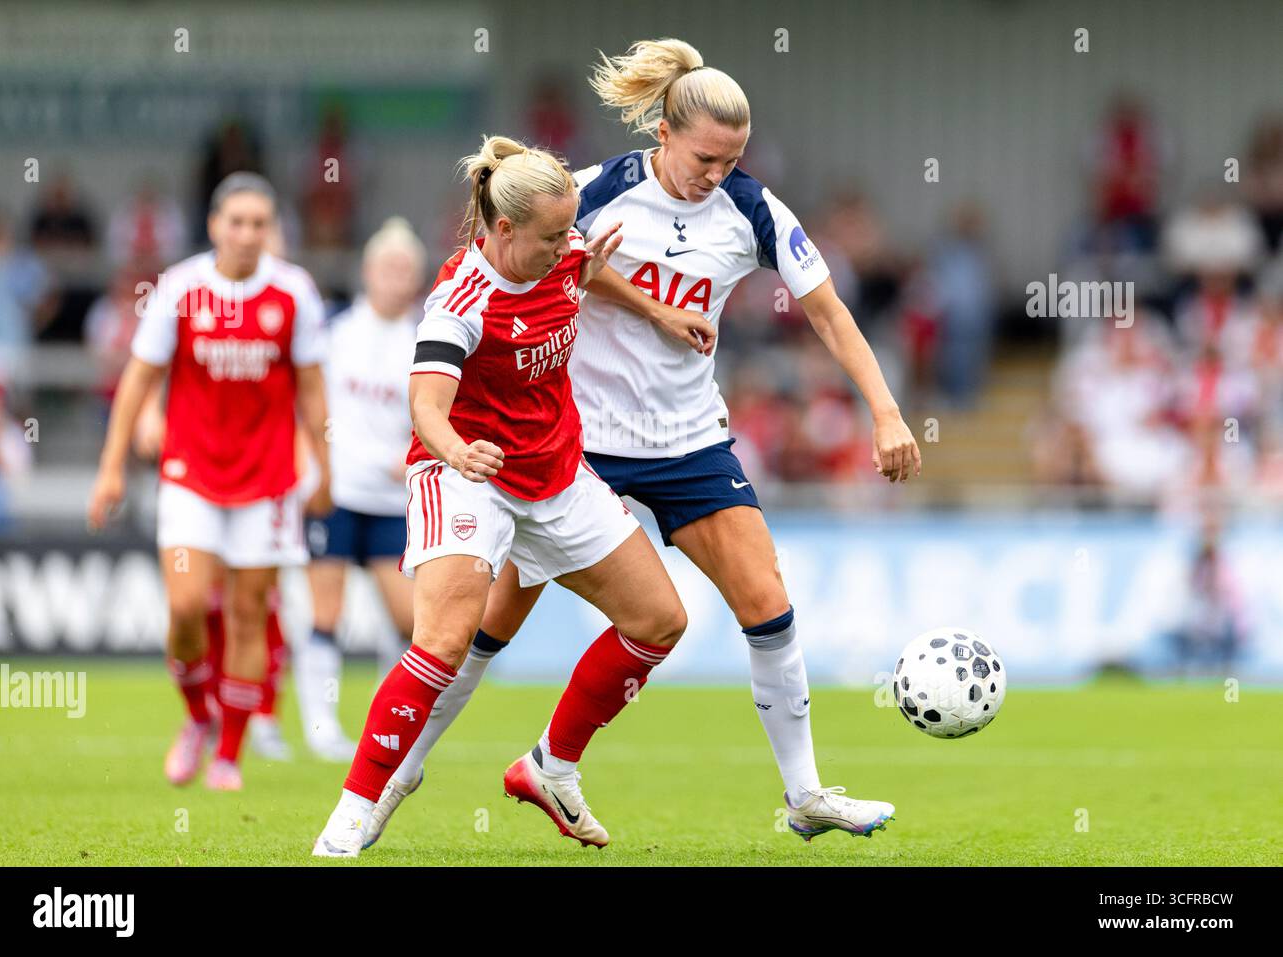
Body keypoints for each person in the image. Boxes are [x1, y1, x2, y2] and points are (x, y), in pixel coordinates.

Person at [369, 37, 917, 847]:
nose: (717, 174)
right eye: (705, 157)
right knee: (489, 621)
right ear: (663, 131)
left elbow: (830, 312)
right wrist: (652, 309)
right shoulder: (594, 191)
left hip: (689, 439)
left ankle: (800, 794)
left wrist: (887, 412)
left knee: (767, 602)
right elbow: (528, 267)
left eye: (733, 159)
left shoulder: (755, 211)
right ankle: (394, 777)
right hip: (575, 441)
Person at [311, 135, 689, 857]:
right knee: (444, 642)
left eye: (568, 231)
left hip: (555, 474)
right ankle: (355, 810)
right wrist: (457, 450)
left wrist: (655, 312)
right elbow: (425, 403)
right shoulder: (459, 298)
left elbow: (580, 271)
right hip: (465, 471)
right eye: (551, 235)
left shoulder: (562, 250)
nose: (565, 245)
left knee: (660, 620)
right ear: (504, 229)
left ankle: (550, 763)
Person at [87, 172, 332, 791]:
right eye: (237, 222)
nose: (248, 234)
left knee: (251, 615)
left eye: (259, 223)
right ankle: (198, 717)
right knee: (186, 607)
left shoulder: (294, 292)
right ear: (214, 225)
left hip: (269, 479)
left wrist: (325, 469)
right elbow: (139, 380)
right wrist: (112, 467)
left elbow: (311, 391)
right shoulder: (180, 288)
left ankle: (227, 755)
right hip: (190, 474)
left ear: (269, 228)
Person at [297, 217, 427, 760]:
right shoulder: (337, 335)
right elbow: (312, 408)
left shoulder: (423, 342)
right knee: (326, 614)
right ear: (368, 271)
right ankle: (321, 726)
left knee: (409, 622)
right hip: (337, 491)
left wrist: (415, 458)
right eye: (388, 267)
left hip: (391, 504)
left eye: (406, 270)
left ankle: (385, 727)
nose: (396, 278)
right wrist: (315, 471)